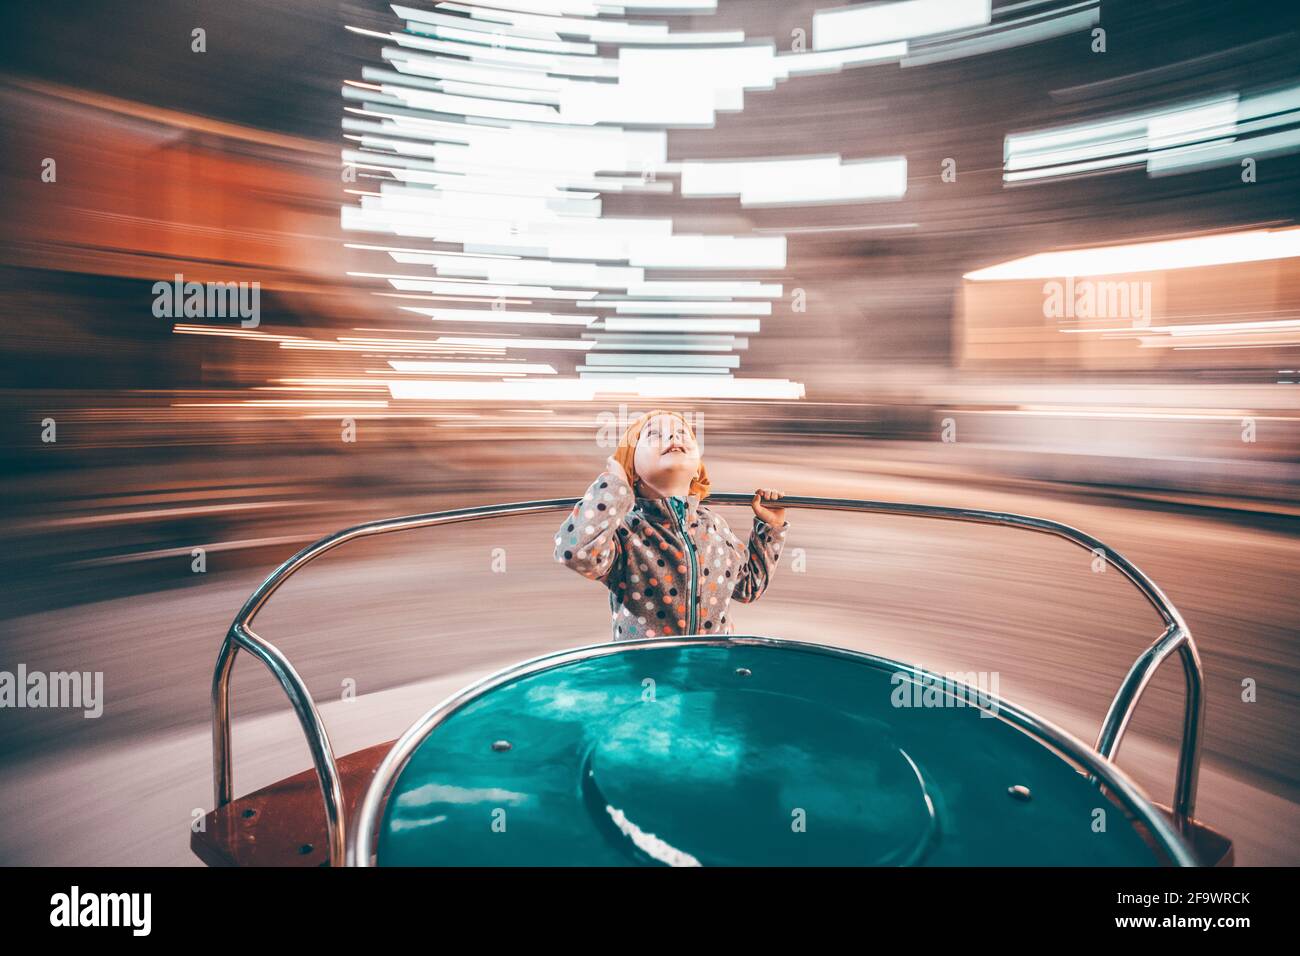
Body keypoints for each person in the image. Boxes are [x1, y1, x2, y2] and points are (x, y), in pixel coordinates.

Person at [554, 408, 789, 640]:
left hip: (710, 666)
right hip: (645, 669)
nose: (673, 437)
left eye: (683, 433)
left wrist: (769, 529)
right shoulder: (626, 532)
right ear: (631, 470)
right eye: (653, 434)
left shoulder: (715, 527)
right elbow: (575, 552)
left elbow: (749, 587)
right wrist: (614, 486)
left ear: (698, 469)